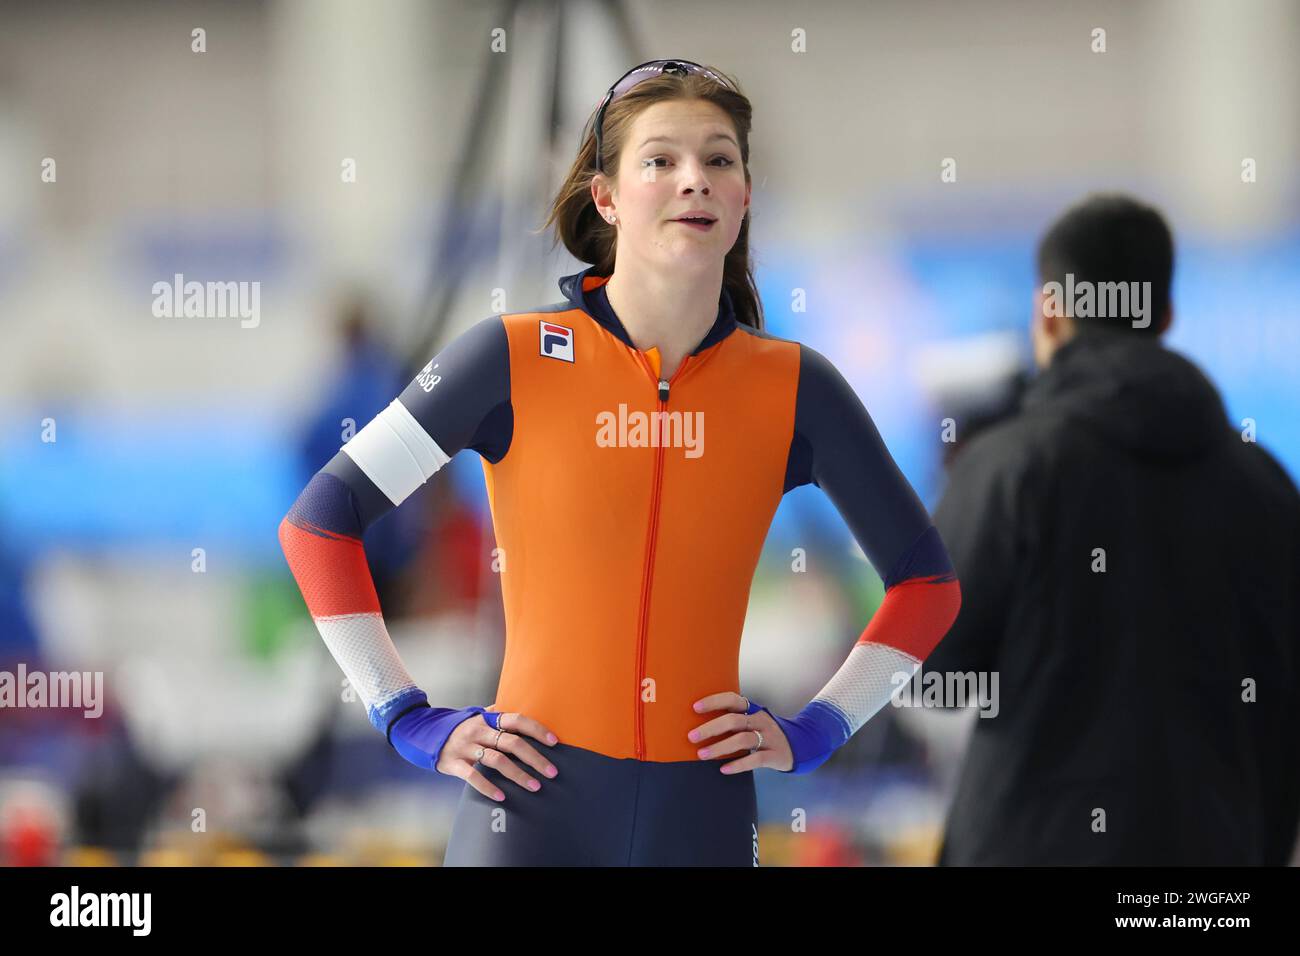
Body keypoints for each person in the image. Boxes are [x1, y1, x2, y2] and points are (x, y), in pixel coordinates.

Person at [278, 59, 961, 866]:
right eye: (660, 160)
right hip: (528, 807)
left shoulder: (794, 388)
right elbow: (321, 523)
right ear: (606, 197)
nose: (694, 181)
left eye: (719, 160)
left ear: (745, 195)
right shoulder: (509, 358)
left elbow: (928, 588)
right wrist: (407, 715)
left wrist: (817, 728)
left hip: (700, 812)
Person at [925, 193, 1300, 865]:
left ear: (1049, 315)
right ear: (1165, 315)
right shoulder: (1266, 484)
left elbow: (930, 664)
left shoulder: (1009, 469)